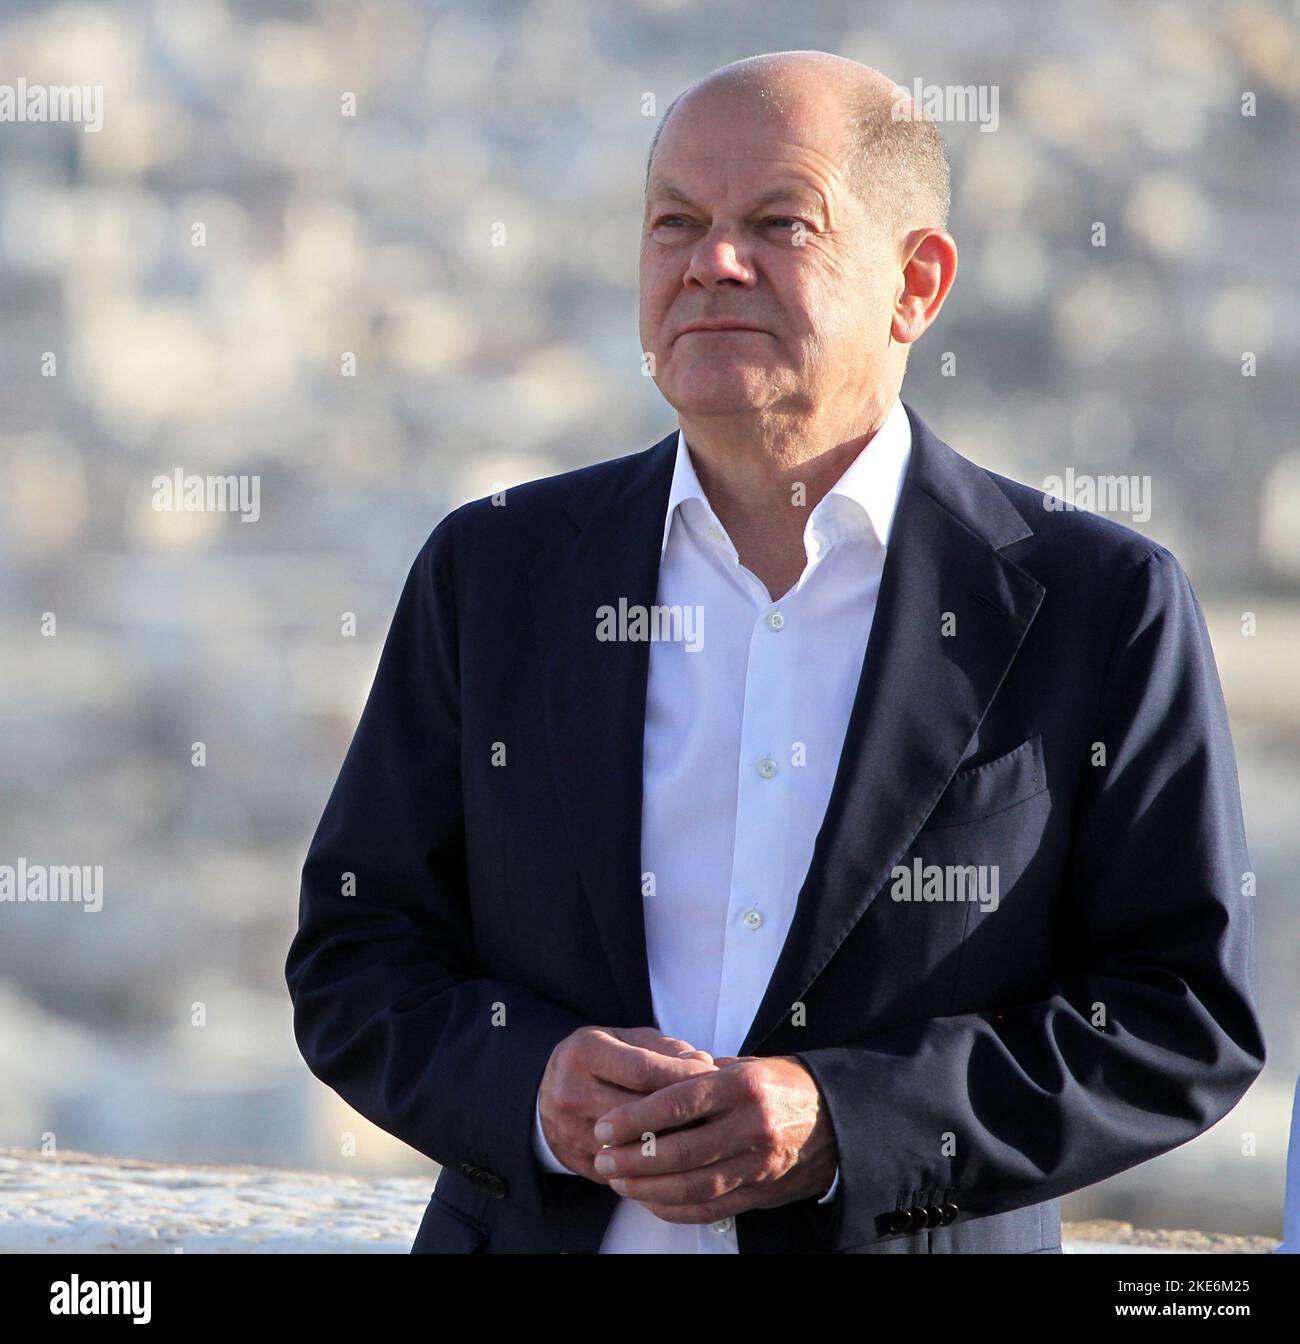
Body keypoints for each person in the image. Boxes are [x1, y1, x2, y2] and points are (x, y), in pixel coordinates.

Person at [285, 50, 1266, 1254]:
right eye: (675, 223)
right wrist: (530, 1084)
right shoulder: (495, 573)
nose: (711, 262)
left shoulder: (1094, 604)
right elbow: (357, 954)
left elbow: (1180, 1018)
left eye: (776, 223)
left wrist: (844, 1122)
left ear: (916, 283)